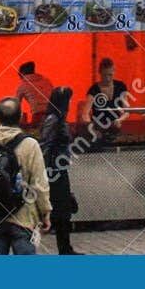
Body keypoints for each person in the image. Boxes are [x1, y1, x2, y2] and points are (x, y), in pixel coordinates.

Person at [0, 97, 51, 254]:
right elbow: (39, 184)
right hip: (23, 217)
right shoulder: (31, 145)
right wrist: (45, 213)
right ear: (21, 118)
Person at [39, 86, 80, 255]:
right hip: (55, 172)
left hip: (57, 169)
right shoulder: (54, 120)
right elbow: (46, 146)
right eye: (69, 99)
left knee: (62, 209)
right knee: (61, 209)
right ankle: (65, 248)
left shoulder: (57, 119)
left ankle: (65, 247)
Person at [81, 58, 128, 149]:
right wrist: (93, 130)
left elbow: (126, 111)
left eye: (110, 75)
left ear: (114, 71)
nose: (107, 78)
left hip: (115, 129)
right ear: (100, 73)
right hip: (98, 129)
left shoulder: (121, 86)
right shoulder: (94, 89)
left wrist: (120, 120)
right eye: (104, 75)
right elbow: (85, 114)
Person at [15, 61, 55, 125]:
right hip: (54, 114)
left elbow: (15, 105)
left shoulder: (22, 85)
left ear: (22, 73)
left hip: (38, 115)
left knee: (36, 132)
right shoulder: (46, 81)